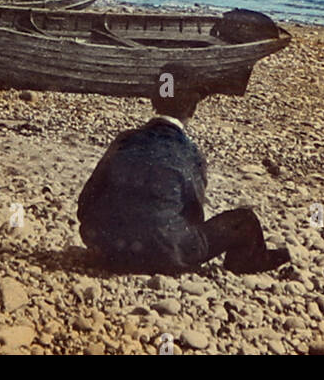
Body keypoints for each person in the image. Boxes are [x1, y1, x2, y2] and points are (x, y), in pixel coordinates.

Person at [77, 110, 290, 276]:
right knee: (244, 220)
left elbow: (87, 200)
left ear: (153, 101)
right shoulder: (189, 152)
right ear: (192, 111)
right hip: (165, 252)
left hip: (108, 249)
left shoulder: (124, 140)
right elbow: (194, 213)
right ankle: (248, 262)